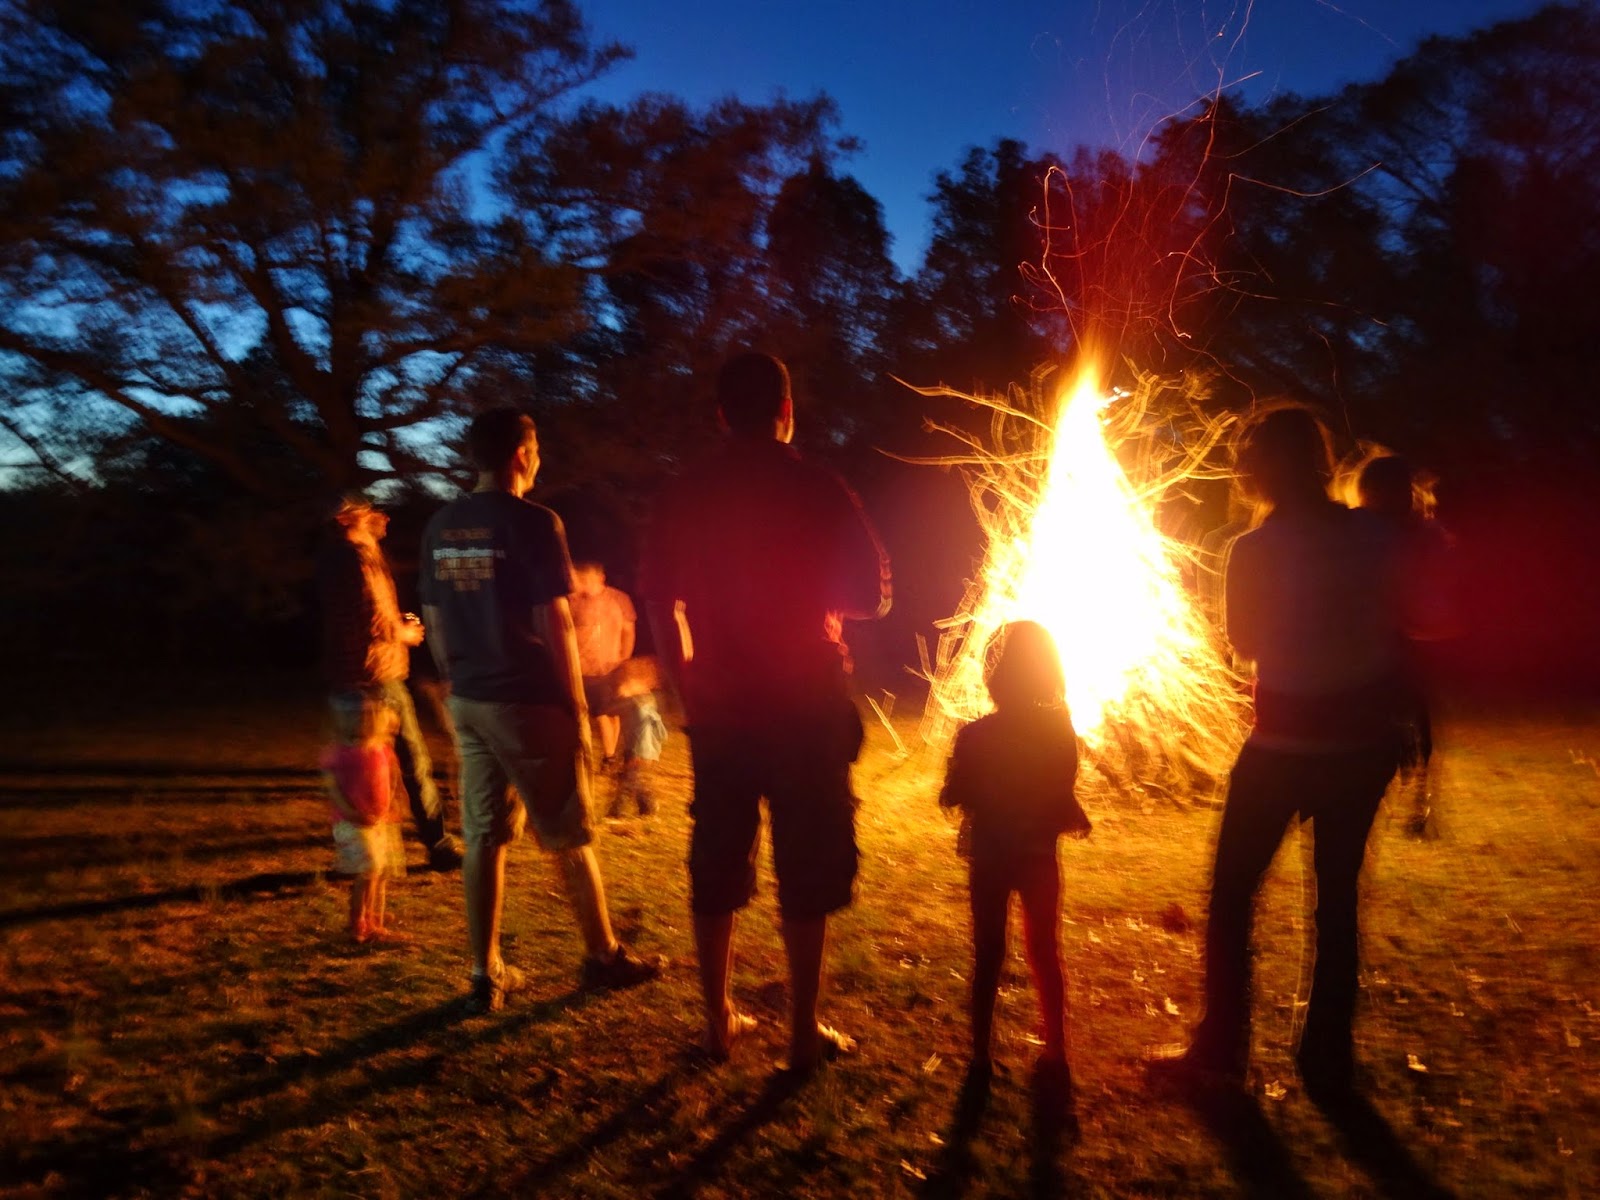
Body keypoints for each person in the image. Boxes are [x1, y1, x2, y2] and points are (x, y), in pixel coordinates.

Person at [640, 351, 891, 1073]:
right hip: (805, 702)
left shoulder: (685, 493)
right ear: (787, 412)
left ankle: (717, 1021)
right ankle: (802, 1032)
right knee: (808, 857)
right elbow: (872, 597)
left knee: (717, 849)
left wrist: (686, 682)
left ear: (722, 414)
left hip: (720, 702)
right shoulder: (817, 488)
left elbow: (659, 595)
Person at [1151, 406, 1412, 1100]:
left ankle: (1220, 1049)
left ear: (1262, 469)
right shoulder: (1372, 534)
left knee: (1234, 895)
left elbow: (1244, 643)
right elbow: (1405, 615)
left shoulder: (1255, 550)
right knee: (1336, 902)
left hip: (1286, 745)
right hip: (1360, 745)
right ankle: (1325, 1057)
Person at [419, 407, 663, 1014]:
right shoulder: (534, 522)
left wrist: (457, 681)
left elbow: (436, 620)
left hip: (472, 699)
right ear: (522, 455)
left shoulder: (441, 527)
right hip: (528, 699)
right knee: (570, 832)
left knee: (482, 837)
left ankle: (484, 971)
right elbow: (552, 617)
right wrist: (577, 706)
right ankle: (603, 956)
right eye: (536, 449)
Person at [939, 621, 1091, 1086]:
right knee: (1045, 949)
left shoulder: (976, 735)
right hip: (1037, 855)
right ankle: (1056, 1050)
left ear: (994, 672)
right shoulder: (1061, 733)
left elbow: (953, 794)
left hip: (990, 854)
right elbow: (1061, 793)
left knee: (988, 952)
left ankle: (980, 1055)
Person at [317, 494, 464, 872]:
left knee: (365, 769)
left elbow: (361, 616)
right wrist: (405, 633)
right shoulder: (356, 561)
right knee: (411, 765)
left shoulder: (350, 560)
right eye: (372, 511)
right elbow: (372, 622)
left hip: (358, 675)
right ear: (351, 519)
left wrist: (398, 626)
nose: (383, 517)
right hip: (376, 678)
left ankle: (361, 853)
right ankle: (438, 845)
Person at [1356, 453, 1460, 837]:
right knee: (1399, 726)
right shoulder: (1363, 528)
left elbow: (1433, 593)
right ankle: (1406, 802)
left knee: (1413, 724)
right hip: (1384, 645)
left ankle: (1417, 804)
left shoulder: (1418, 533)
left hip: (1405, 645)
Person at [321, 700, 407, 943]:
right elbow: (333, 787)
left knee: (379, 872)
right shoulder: (341, 753)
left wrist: (394, 801)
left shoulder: (381, 749)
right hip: (353, 823)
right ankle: (357, 921)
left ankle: (373, 918)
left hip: (377, 821)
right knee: (369, 869)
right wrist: (350, 812)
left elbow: (390, 779)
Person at [569, 561, 636, 769]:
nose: (581, 584)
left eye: (585, 579)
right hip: (584, 666)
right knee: (600, 713)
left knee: (609, 712)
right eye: (580, 580)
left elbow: (628, 630)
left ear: (600, 578)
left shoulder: (618, 599)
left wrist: (624, 657)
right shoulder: (574, 601)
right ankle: (610, 754)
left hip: (610, 664)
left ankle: (610, 755)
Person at [608, 656, 668, 818]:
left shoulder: (641, 703)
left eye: (626, 683)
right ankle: (646, 805)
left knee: (628, 781)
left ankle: (618, 811)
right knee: (631, 780)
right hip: (633, 748)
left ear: (640, 684)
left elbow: (647, 729)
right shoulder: (641, 701)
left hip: (640, 750)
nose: (621, 687)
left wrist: (643, 752)